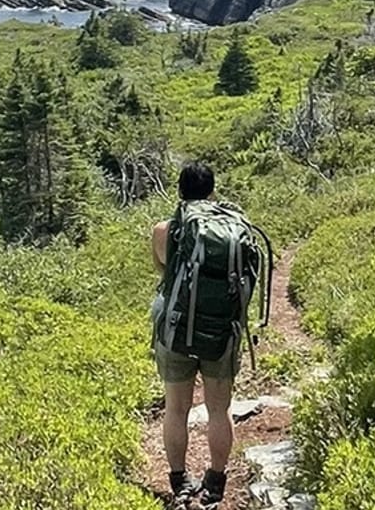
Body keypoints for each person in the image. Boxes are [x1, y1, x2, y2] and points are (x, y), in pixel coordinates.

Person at [149, 162, 238, 508]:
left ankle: (179, 479)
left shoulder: (163, 230)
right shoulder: (232, 228)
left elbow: (161, 270)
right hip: (221, 329)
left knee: (177, 407)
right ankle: (216, 480)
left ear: (180, 192)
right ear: (212, 191)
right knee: (219, 408)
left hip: (175, 329)